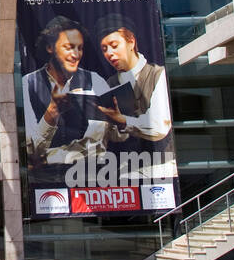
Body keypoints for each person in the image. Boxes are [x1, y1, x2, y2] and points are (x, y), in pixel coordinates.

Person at [23, 16, 111, 182]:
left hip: (88, 179)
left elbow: (96, 148)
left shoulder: (95, 81)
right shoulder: (28, 83)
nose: (76, 55)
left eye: (80, 48)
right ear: (50, 47)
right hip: (43, 185)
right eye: (69, 47)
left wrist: (44, 158)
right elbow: (30, 149)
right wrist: (52, 113)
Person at [93, 15, 175, 179]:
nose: (109, 53)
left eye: (114, 45)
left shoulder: (157, 74)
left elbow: (160, 126)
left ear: (131, 41)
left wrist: (123, 120)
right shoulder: (109, 84)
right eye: (104, 49)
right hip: (125, 171)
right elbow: (117, 137)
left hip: (161, 168)